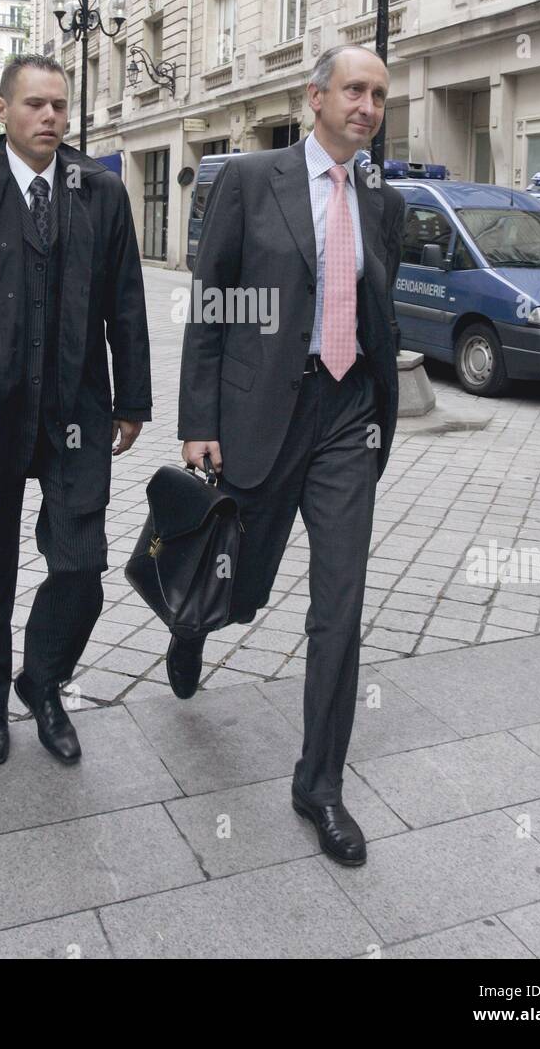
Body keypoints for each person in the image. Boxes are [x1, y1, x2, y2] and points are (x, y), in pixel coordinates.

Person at [175, 45, 404, 866]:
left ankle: (320, 785)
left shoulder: (384, 199)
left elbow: (379, 309)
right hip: (262, 411)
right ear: (315, 98)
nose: (368, 105)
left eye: (379, 93)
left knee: (339, 605)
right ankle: (194, 619)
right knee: (243, 581)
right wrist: (199, 415)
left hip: (346, 415)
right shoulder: (249, 180)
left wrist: (383, 406)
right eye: (354, 89)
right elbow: (213, 301)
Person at [0, 55, 151, 767]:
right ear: (3, 110)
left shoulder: (100, 193)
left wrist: (131, 397)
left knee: (81, 564)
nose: (50, 117)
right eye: (35, 104)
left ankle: (42, 682)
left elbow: (127, 304)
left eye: (60, 107)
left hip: (76, 410)